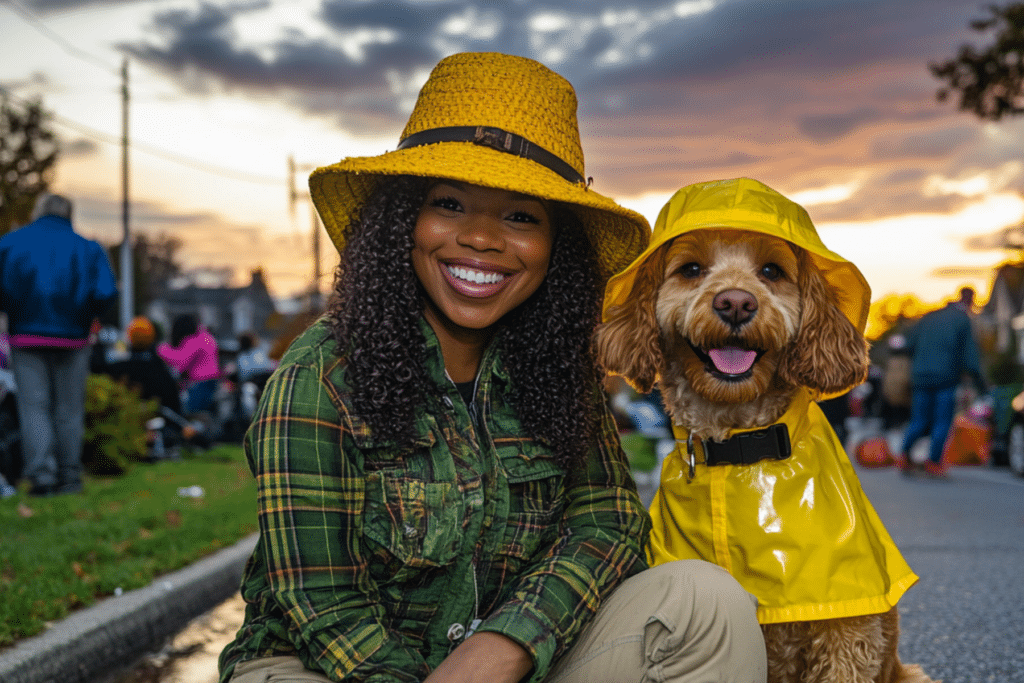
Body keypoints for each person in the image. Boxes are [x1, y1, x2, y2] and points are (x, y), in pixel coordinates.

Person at [218, 52, 766, 683]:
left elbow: (606, 522)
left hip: (516, 663)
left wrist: (509, 644)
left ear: (556, 248)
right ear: (402, 221)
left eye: (519, 216)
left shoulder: (559, 368)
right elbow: (320, 603)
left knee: (705, 600)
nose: (480, 238)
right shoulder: (320, 375)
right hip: (325, 666)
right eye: (449, 204)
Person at [0, 193, 118, 496]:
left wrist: (12, 310)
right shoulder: (89, 249)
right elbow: (106, 292)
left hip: (25, 335)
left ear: (38, 211)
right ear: (69, 214)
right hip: (73, 337)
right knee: (69, 408)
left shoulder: (11, 244)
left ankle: (42, 477)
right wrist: (86, 314)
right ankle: (69, 477)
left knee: (34, 407)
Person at [898, 286, 988, 477]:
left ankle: (904, 456)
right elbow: (970, 355)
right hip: (945, 378)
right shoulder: (962, 320)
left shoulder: (929, 317)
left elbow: (908, 345)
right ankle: (933, 461)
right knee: (942, 421)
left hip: (921, 376)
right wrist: (981, 384)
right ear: (970, 301)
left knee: (919, 419)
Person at [157, 313, 220, 415]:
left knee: (191, 415)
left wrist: (161, 349)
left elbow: (180, 359)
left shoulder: (195, 339)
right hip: (212, 381)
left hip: (200, 383)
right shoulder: (206, 337)